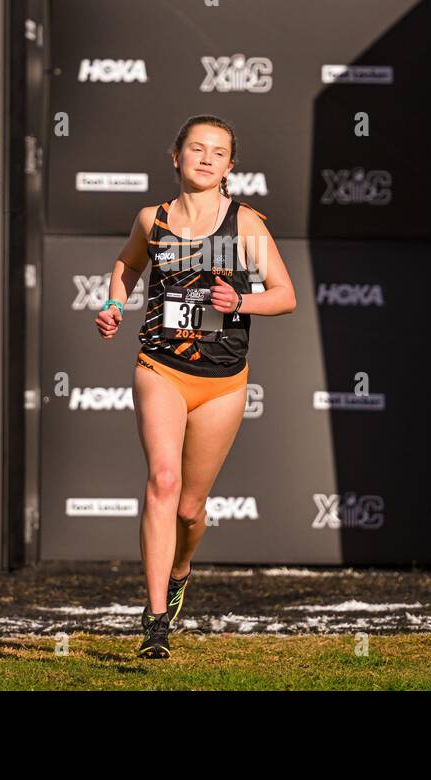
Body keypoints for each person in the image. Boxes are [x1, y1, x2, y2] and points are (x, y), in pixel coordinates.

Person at [96, 115, 296, 658]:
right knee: (161, 479)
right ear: (176, 156)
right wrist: (115, 304)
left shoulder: (245, 224)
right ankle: (155, 622)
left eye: (218, 152)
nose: (206, 158)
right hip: (159, 366)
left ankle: (181, 569)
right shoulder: (151, 218)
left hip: (222, 380)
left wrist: (242, 301)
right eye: (196, 149)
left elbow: (285, 294)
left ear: (231, 166)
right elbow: (126, 265)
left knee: (189, 507)